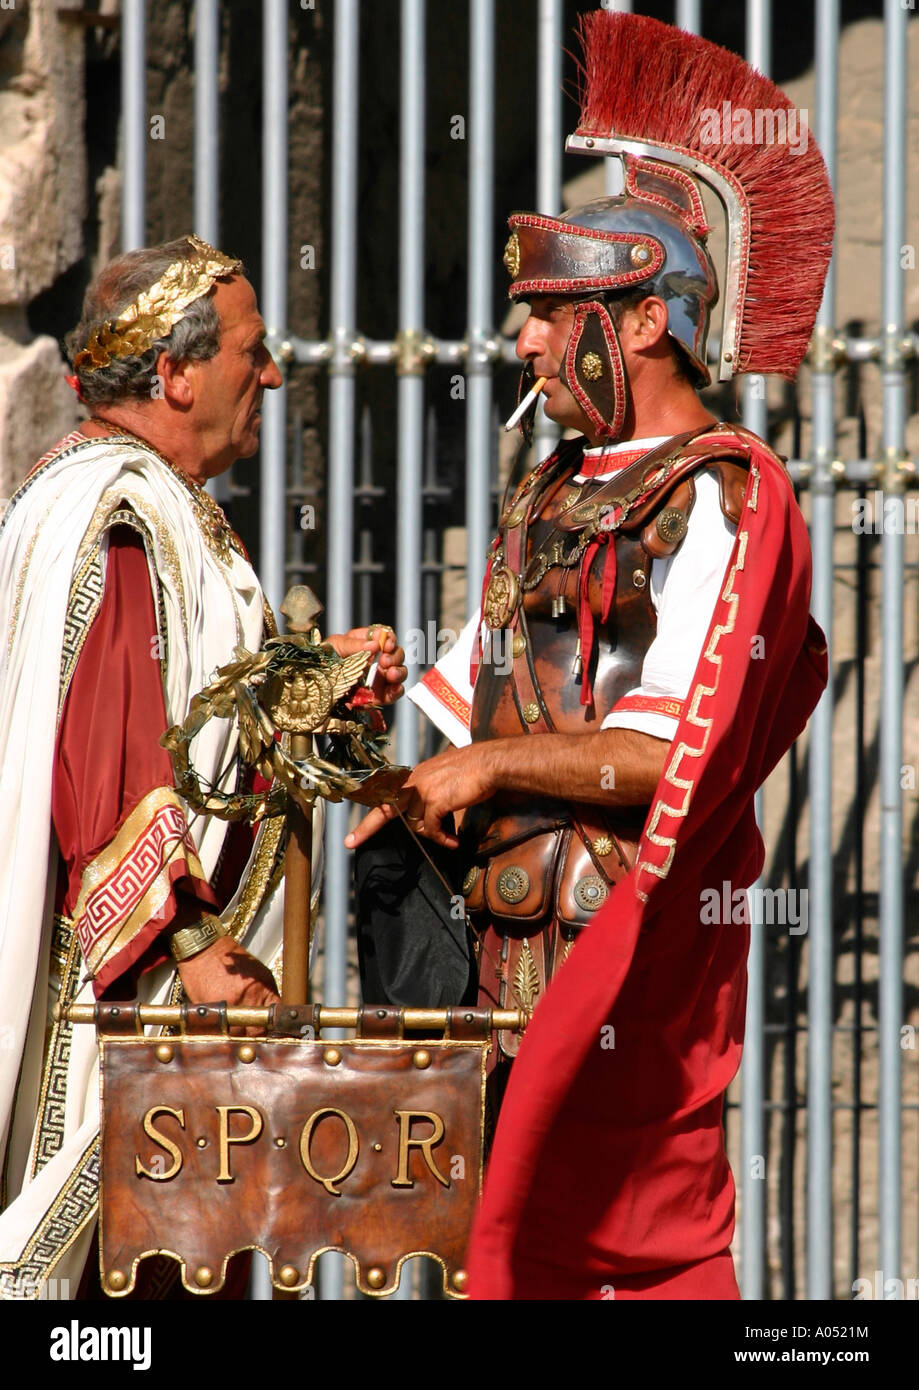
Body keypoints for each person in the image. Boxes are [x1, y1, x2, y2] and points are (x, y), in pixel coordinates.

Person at [347, 11, 833, 1299]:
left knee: (616, 1252)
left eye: (547, 317)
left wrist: (484, 767)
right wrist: (372, 722)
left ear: (640, 325)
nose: (518, 347)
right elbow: (463, 708)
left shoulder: (732, 498)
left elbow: (676, 749)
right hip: (494, 964)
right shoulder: (547, 485)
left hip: (616, 965)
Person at [0, 235, 406, 1299]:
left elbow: (205, 729)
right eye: (249, 352)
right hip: (143, 998)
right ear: (174, 373)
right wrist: (190, 945)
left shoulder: (140, 499)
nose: (270, 374)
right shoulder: (120, 516)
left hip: (175, 1001)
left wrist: (320, 685)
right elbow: (113, 749)